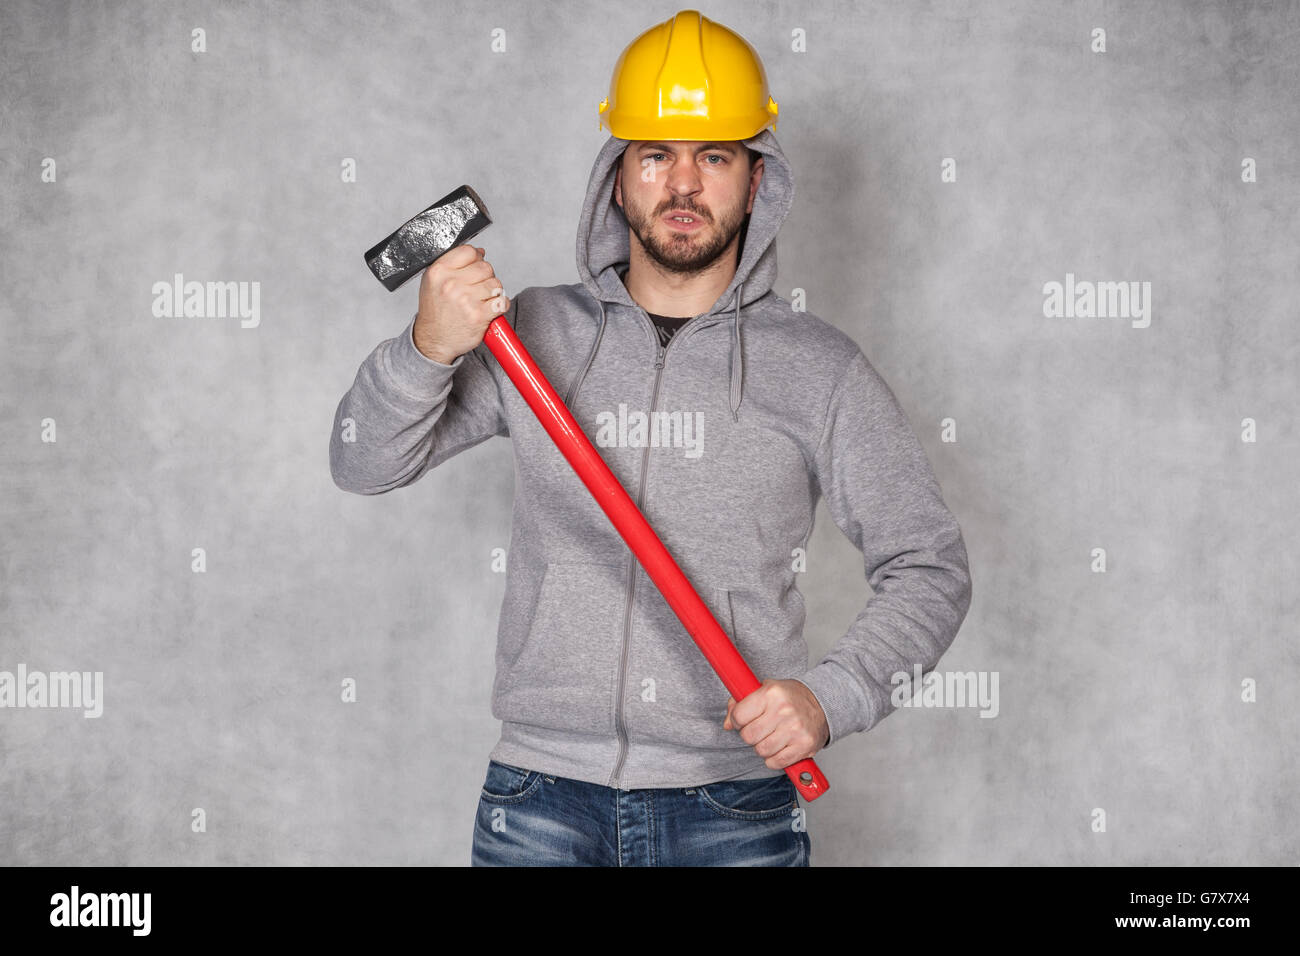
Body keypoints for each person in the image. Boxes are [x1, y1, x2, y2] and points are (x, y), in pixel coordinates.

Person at [329, 9, 972, 866]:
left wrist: (831, 696)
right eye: (655, 154)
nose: (683, 184)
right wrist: (428, 346)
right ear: (617, 176)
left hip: (733, 809)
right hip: (538, 803)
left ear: (756, 178)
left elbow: (929, 565)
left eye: (713, 155)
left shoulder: (821, 369)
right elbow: (361, 463)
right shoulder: (530, 332)